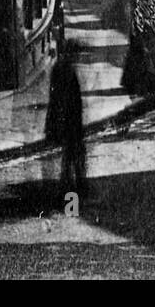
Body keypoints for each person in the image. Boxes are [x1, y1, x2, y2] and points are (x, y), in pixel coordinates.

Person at [44, 46, 87, 203]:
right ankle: (74, 192)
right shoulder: (66, 70)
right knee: (74, 155)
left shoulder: (61, 67)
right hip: (69, 121)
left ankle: (72, 189)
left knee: (71, 156)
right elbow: (65, 99)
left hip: (67, 120)